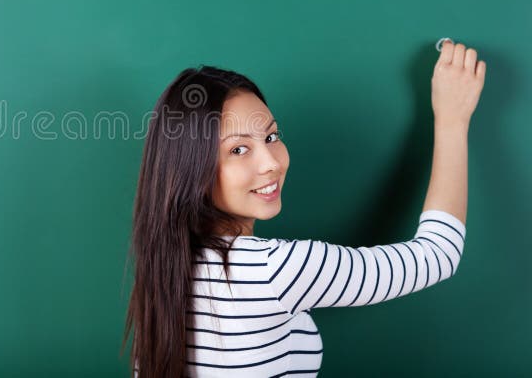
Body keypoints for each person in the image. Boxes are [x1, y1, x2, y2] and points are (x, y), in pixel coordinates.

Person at [122, 40, 486, 377]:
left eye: (271, 137)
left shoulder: (160, 276)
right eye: (238, 149)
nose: (271, 162)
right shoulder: (277, 270)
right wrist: (452, 121)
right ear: (191, 170)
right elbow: (438, 254)